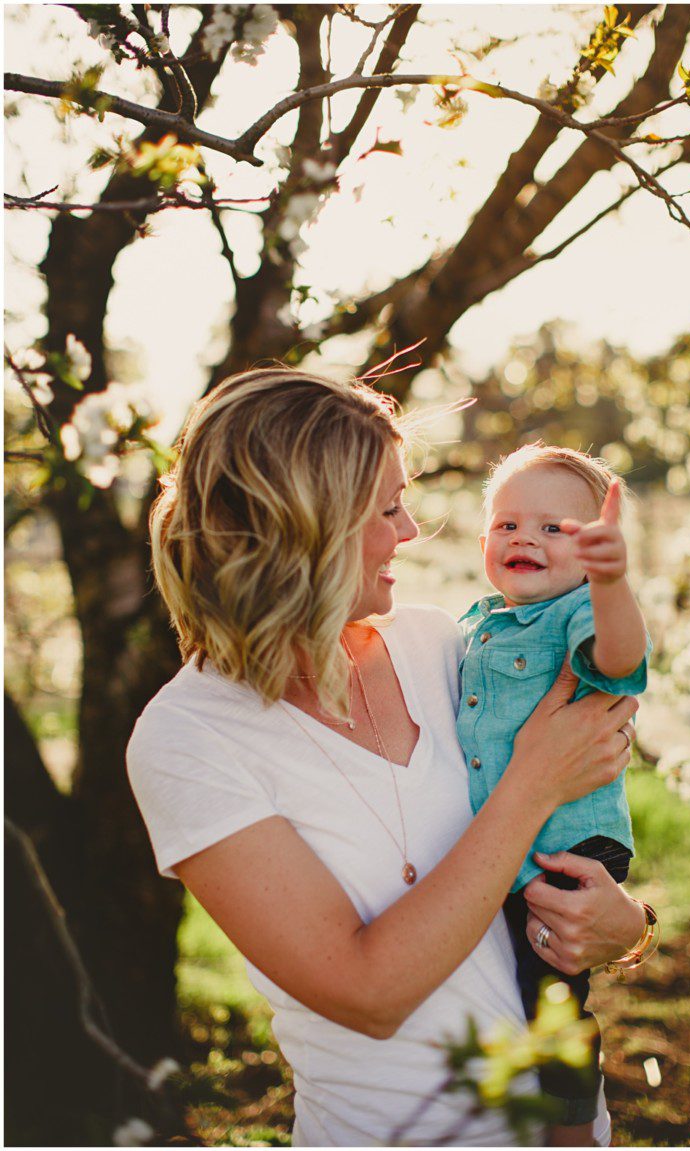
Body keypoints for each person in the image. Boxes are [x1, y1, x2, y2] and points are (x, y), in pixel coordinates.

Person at [127, 369, 647, 1146]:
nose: (410, 531)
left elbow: (572, 839)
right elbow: (368, 992)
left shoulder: (443, 646)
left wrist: (626, 928)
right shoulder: (190, 738)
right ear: (306, 526)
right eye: (388, 508)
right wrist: (533, 783)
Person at [459, 444, 649, 1138]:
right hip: (515, 841)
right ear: (484, 540)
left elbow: (620, 656)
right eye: (507, 525)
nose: (524, 539)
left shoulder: (576, 615)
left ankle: (567, 1123)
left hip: (570, 846)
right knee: (511, 978)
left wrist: (610, 582)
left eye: (553, 529)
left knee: (551, 988)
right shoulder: (476, 624)